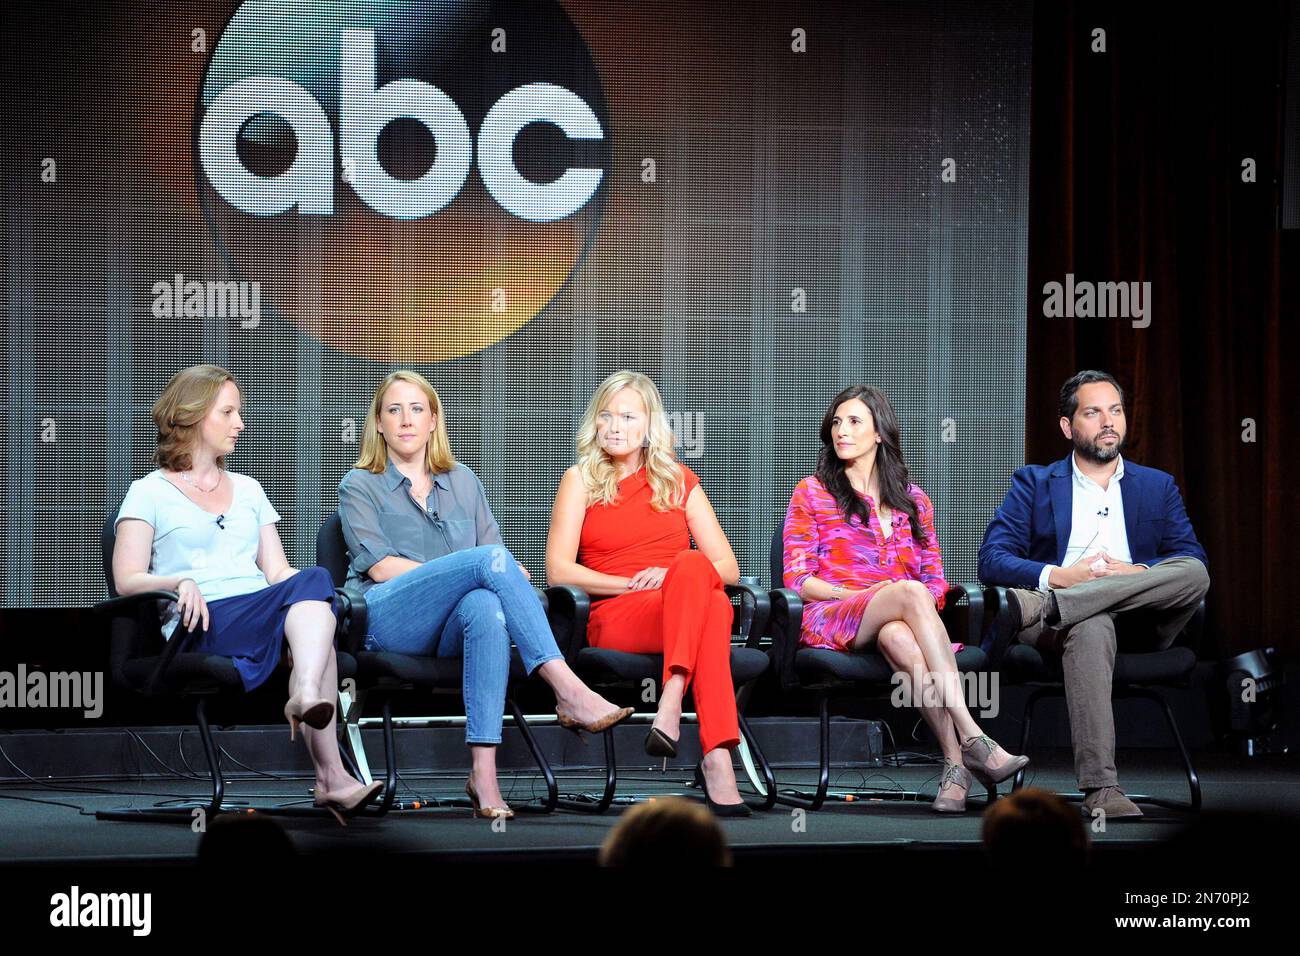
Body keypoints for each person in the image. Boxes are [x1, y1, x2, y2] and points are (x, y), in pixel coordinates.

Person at [336, 370, 632, 820]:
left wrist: (498, 575)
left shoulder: (463, 481)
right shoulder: (359, 484)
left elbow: (494, 562)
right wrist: (486, 570)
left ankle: (484, 774)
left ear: (434, 421)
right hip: (388, 617)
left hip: (452, 624)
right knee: (488, 565)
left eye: (417, 409)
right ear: (379, 424)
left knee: (487, 607)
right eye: (394, 410)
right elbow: (382, 567)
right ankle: (567, 688)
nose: (406, 419)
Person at [112, 365, 382, 823]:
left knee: (316, 601)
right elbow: (126, 579)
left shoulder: (250, 490)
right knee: (316, 595)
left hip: (257, 612)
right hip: (202, 622)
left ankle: (327, 763)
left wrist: (308, 593)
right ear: (195, 416)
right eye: (229, 412)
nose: (241, 423)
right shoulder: (148, 493)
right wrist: (177, 581)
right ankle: (327, 765)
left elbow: (276, 571)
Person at [783, 385, 1028, 812]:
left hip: (905, 621)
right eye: (836, 422)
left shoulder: (914, 500)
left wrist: (903, 605)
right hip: (833, 614)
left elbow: (935, 581)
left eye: (854, 421)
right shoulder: (812, 493)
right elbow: (799, 580)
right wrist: (870, 595)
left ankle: (955, 764)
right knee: (906, 593)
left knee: (898, 633)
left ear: (880, 432)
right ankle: (973, 734)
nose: (842, 431)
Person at [979, 370, 1210, 818]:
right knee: (1091, 623)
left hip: (1140, 622)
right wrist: (1058, 575)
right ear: (1068, 426)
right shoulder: (1034, 482)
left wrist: (1135, 571)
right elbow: (992, 559)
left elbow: (1189, 557)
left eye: (1116, 410)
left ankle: (1047, 605)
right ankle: (1102, 789)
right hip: (1067, 629)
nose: (1108, 421)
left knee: (1196, 573)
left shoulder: (1156, 485)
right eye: (1093, 412)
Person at [546, 370, 751, 816]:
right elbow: (558, 570)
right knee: (711, 607)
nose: (615, 427)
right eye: (606, 416)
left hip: (680, 605)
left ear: (648, 427)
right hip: (617, 613)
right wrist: (631, 583)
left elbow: (729, 567)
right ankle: (715, 755)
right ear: (594, 424)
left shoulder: (678, 480)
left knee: (700, 578)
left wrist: (670, 575)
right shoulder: (579, 480)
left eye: (628, 416)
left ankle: (673, 697)